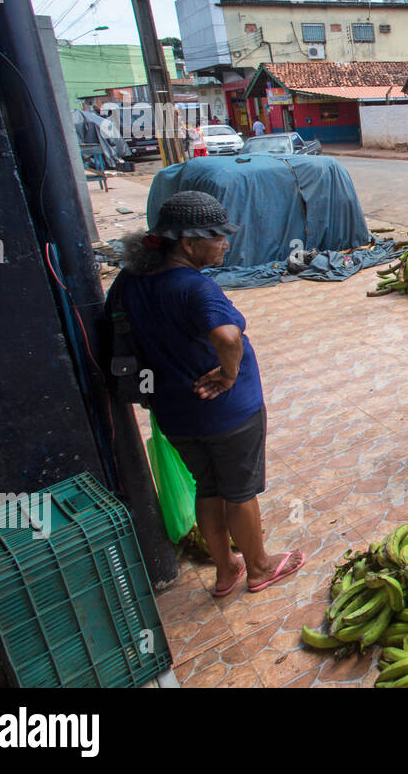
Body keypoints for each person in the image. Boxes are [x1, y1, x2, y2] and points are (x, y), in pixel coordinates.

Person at [111, 191, 304, 597]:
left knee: (208, 488)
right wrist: (230, 375)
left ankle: (224, 571)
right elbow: (227, 335)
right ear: (188, 243)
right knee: (240, 492)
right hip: (227, 415)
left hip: (176, 413)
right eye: (218, 236)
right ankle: (259, 567)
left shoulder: (130, 281)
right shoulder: (193, 288)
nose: (226, 244)